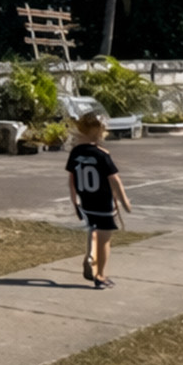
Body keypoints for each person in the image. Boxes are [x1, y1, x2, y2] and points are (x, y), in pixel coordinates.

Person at [65, 112, 133, 288]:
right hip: (103, 203)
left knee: (93, 229)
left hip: (86, 202)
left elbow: (71, 179)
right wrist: (125, 201)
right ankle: (100, 275)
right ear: (100, 131)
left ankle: (90, 256)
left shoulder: (76, 152)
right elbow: (115, 180)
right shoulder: (102, 155)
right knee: (104, 240)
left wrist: (75, 202)